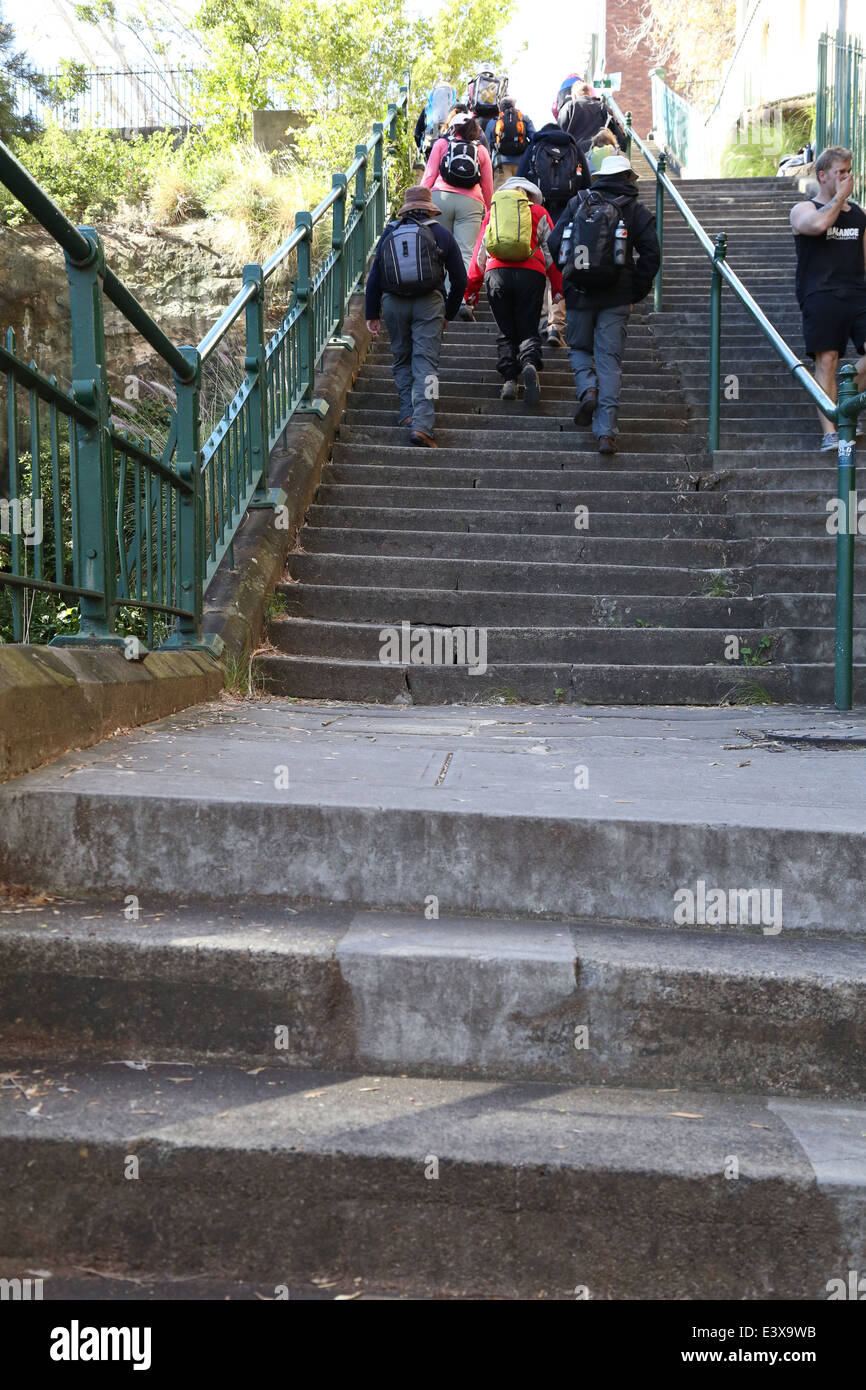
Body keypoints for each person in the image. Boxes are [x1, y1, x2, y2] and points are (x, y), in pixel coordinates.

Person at [548, 153, 660, 456]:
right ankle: (606, 434)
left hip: (580, 293)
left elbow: (555, 242)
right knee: (609, 361)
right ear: (628, 178)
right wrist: (635, 290)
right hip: (617, 298)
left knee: (580, 349)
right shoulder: (636, 211)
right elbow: (652, 256)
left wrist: (572, 277)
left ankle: (588, 388)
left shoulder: (578, 203)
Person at [365, 184, 467, 448]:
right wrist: (449, 311)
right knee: (427, 365)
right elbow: (460, 279)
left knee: (401, 357)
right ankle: (423, 425)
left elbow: (375, 276)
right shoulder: (441, 234)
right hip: (429, 304)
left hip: (393, 304)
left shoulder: (390, 233)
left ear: (407, 208)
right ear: (430, 207)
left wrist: (371, 312)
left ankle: (406, 412)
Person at [790, 145, 866, 451]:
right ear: (823, 176)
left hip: (858, 294)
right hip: (820, 294)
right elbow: (818, 225)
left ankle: (846, 407)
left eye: (849, 172)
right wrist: (838, 199)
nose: (847, 178)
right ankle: (831, 431)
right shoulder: (803, 209)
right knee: (828, 360)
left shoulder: (859, 215)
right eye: (841, 173)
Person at [464, 176, 563, 404]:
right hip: (531, 274)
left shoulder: (493, 214)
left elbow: (479, 255)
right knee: (528, 327)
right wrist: (558, 287)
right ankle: (528, 362)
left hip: (496, 274)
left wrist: (470, 292)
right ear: (529, 196)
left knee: (506, 330)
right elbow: (553, 253)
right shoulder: (538, 212)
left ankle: (509, 379)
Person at [516, 122, 589, 347]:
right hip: (567, 213)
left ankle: (540, 319)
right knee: (560, 266)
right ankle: (556, 324)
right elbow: (586, 184)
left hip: (539, 212)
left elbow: (519, 179)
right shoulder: (574, 148)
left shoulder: (535, 146)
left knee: (539, 263)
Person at [421, 108, 494, 319]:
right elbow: (487, 185)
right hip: (471, 203)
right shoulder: (481, 150)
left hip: (439, 199)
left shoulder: (442, 144)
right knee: (464, 252)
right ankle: (459, 299)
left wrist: (420, 202)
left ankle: (438, 297)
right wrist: (488, 210)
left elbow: (429, 176)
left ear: (452, 127)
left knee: (439, 249)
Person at [558, 81, 629, 156]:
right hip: (600, 155)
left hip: (577, 156)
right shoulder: (603, 107)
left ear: (574, 96)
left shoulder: (568, 107)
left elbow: (559, 135)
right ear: (589, 94)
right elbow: (618, 138)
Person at [486, 96, 535, 189]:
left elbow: (487, 147)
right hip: (521, 166)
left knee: (501, 194)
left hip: (501, 165)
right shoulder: (524, 119)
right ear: (514, 106)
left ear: (500, 108)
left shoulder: (494, 121)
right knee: (519, 194)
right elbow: (534, 138)